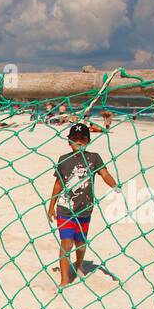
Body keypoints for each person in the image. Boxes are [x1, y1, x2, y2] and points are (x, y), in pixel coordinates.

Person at [45, 122, 118, 288]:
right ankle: (64, 280)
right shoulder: (63, 160)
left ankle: (79, 265)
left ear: (88, 140)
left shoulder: (94, 158)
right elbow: (58, 184)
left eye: (82, 138)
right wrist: (51, 206)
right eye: (74, 138)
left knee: (81, 243)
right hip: (65, 209)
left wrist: (115, 185)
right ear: (69, 141)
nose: (78, 141)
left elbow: (104, 174)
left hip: (85, 210)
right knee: (66, 243)